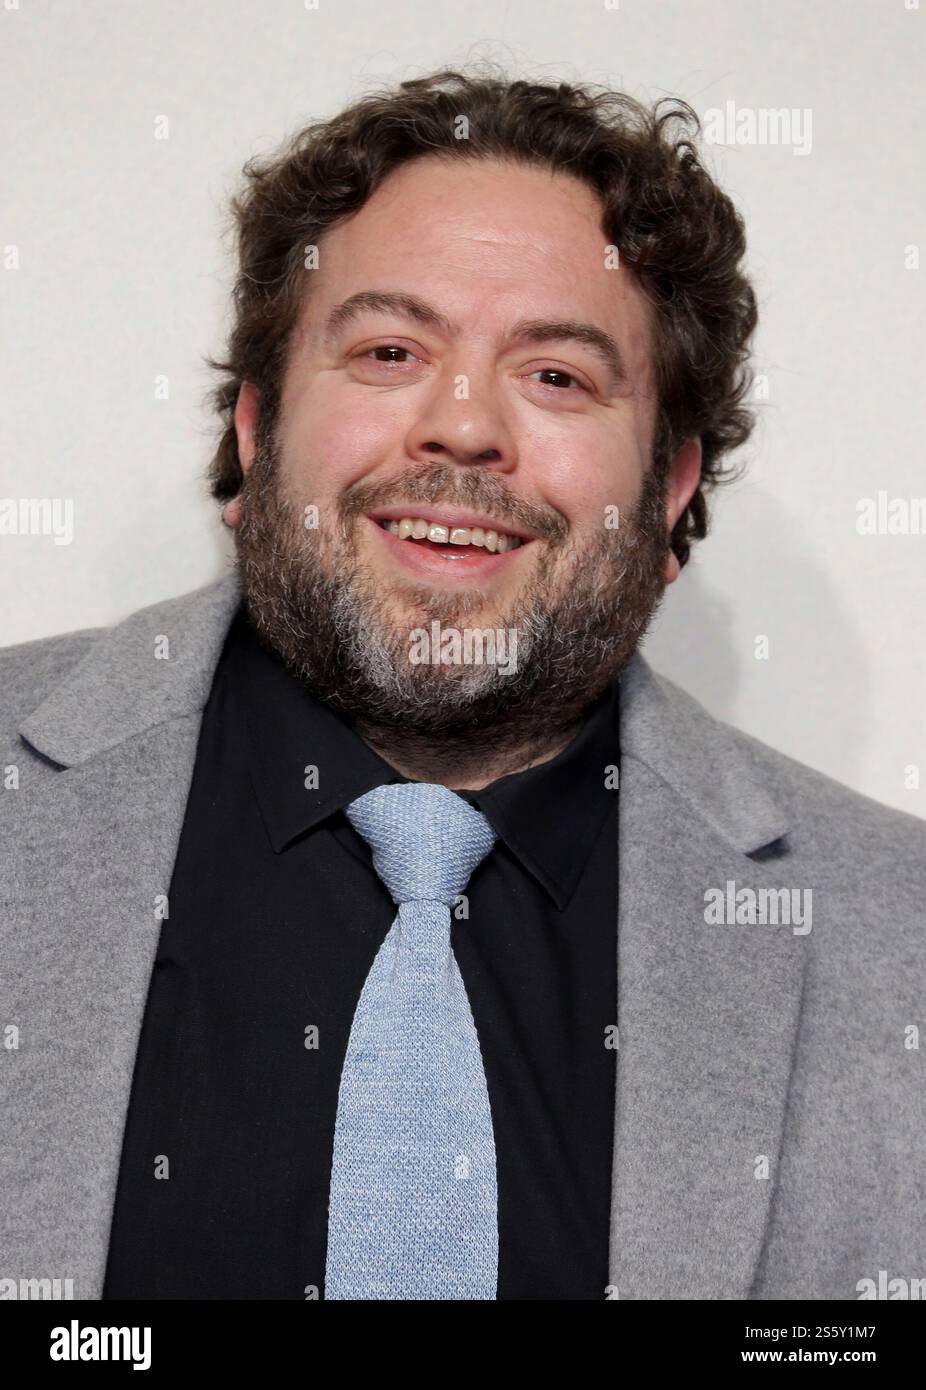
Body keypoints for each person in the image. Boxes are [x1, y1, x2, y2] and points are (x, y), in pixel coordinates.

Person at [2, 67, 924, 1303]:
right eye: (389, 350)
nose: (463, 426)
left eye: (555, 375)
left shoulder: (892, 941)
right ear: (259, 426)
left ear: (664, 483)